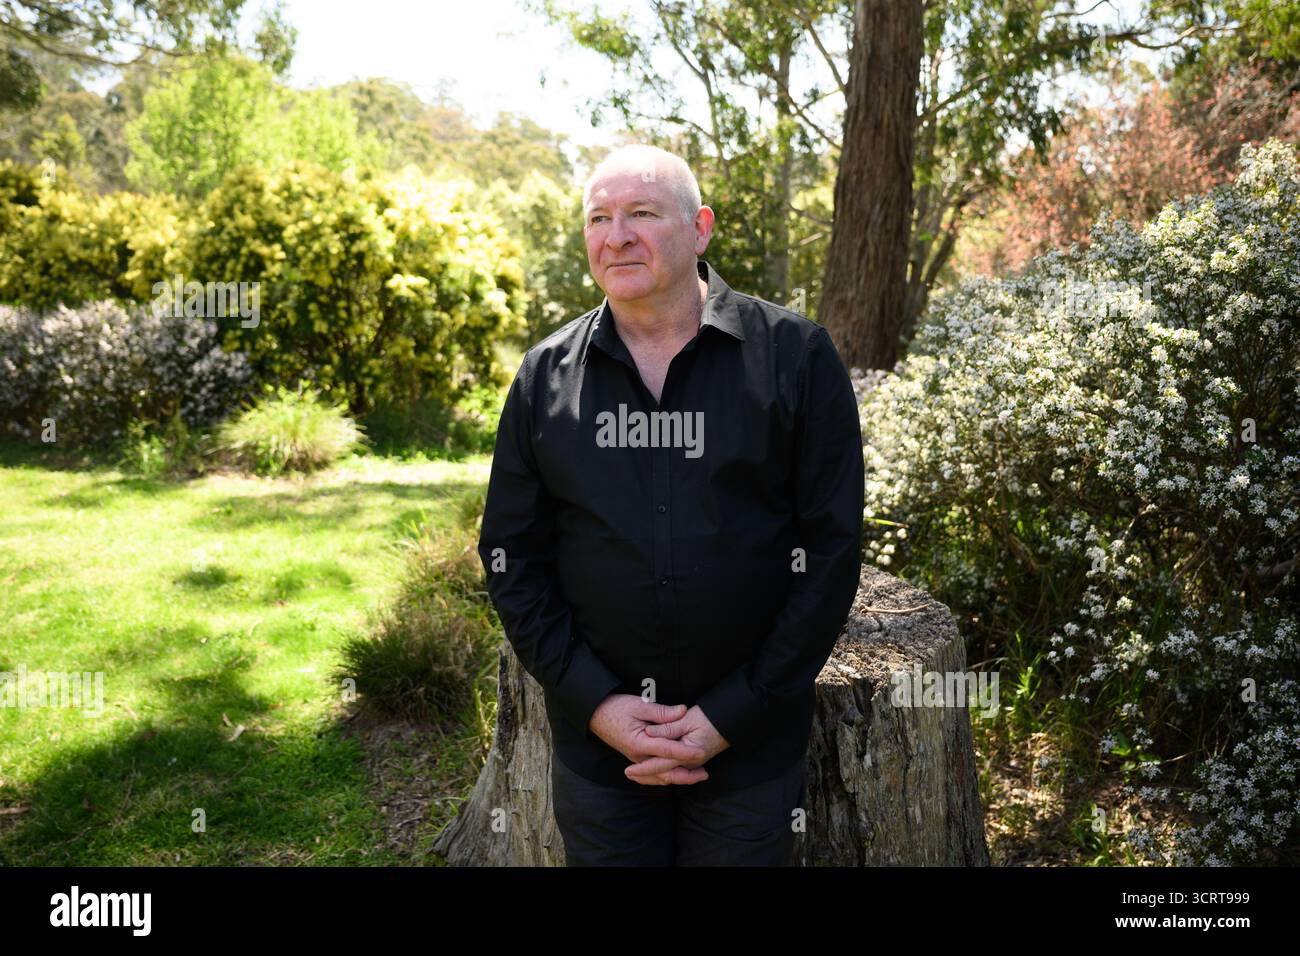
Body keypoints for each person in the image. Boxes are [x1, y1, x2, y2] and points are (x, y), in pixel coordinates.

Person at [477, 143, 864, 866]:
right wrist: (599, 704)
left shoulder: (797, 358)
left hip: (749, 751)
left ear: (701, 228)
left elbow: (833, 551)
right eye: (599, 217)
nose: (615, 235)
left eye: (642, 214)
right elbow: (511, 558)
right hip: (602, 758)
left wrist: (732, 713)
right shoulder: (542, 379)